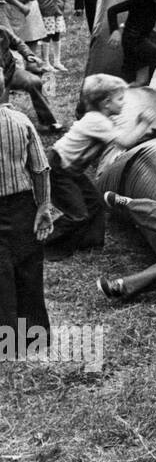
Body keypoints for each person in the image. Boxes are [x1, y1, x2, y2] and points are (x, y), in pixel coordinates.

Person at [46, 75, 151, 256]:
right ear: (106, 103)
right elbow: (125, 142)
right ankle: (43, 243)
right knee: (77, 214)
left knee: (94, 201)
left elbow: (121, 136)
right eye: (120, 99)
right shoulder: (97, 121)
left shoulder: (102, 119)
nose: (124, 103)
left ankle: (90, 243)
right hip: (58, 168)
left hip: (71, 169)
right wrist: (144, 124)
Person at [0, 74, 55, 353]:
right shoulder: (21, 121)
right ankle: (34, 336)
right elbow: (40, 167)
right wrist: (44, 206)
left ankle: (5, 341)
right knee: (27, 266)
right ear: (5, 90)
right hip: (22, 204)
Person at [0, 22, 60, 131]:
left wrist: (29, 55)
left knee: (34, 81)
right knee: (3, 108)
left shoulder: (2, 31)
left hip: (10, 71)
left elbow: (18, 43)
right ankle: (7, 132)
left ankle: (48, 122)